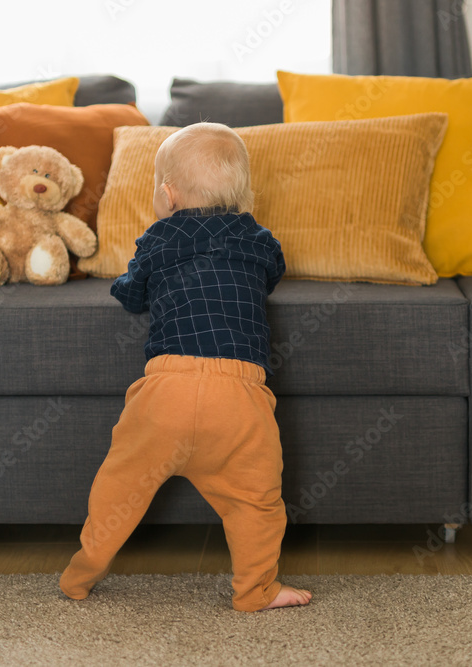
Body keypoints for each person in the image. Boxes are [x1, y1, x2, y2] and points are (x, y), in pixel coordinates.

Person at [59, 123, 311, 611]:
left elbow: (131, 294)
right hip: (240, 396)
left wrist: (134, 275)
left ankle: (81, 574)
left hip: (165, 390)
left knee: (118, 487)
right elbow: (272, 274)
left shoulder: (159, 237)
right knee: (257, 501)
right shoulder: (258, 241)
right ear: (244, 198)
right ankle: (256, 590)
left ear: (167, 195)